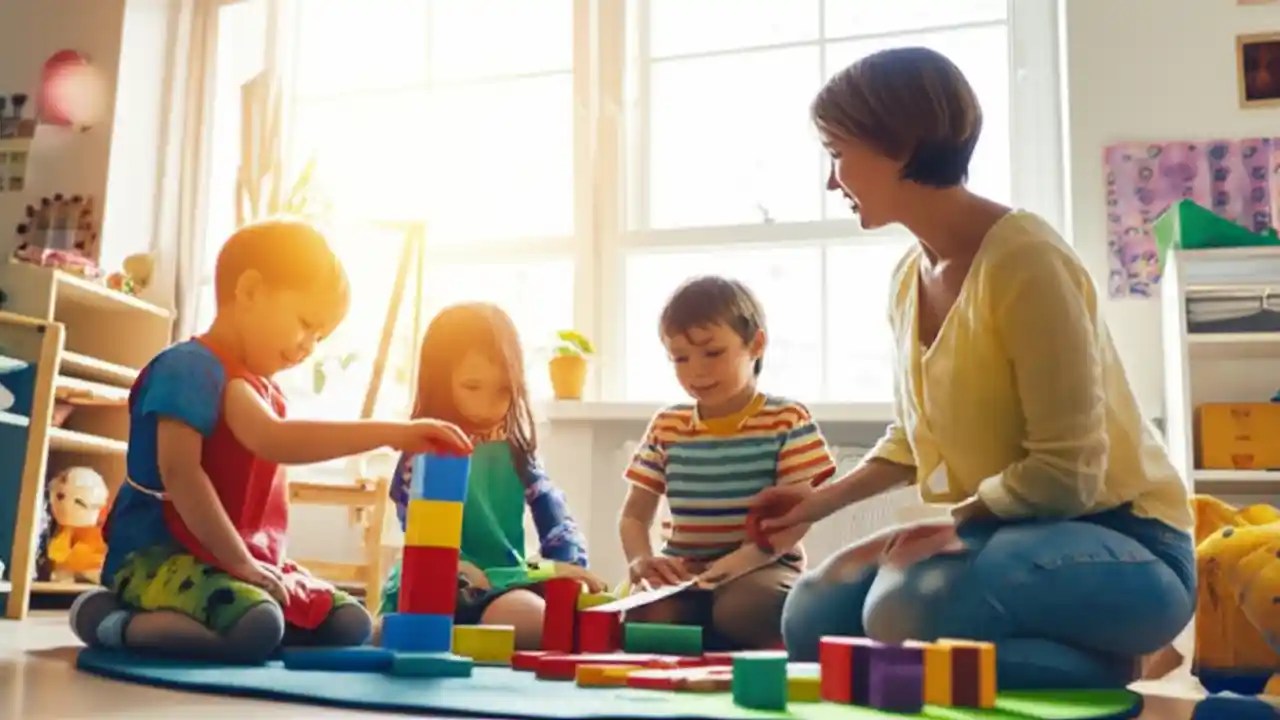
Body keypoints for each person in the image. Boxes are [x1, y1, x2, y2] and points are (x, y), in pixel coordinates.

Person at [754, 46, 1196, 689]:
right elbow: (915, 438)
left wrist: (952, 524)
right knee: (812, 617)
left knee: (901, 609)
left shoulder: (1027, 260)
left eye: (838, 154)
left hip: (1128, 544)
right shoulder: (910, 277)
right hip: (1012, 534)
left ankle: (1127, 656)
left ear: (899, 145)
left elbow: (1068, 475)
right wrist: (816, 504)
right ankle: (1059, 659)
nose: (832, 181)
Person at [69, 219, 473, 663]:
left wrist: (248, 565)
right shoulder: (188, 367)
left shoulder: (256, 386)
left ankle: (245, 623)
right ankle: (108, 620)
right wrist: (393, 433)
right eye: (305, 324)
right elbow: (187, 469)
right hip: (158, 554)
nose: (309, 347)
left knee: (349, 624)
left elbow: (279, 442)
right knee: (257, 626)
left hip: (233, 560)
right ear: (250, 291)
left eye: (320, 337)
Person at [619, 276, 837, 650]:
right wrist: (641, 560)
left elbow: (797, 517)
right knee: (643, 620)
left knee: (745, 610)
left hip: (762, 566)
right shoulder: (667, 425)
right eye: (680, 359)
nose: (696, 371)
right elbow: (635, 516)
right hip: (685, 570)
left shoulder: (787, 419)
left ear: (756, 345)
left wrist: (734, 567)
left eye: (713, 353)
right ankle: (706, 631)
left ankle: (730, 632)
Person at [381, 302, 604, 650]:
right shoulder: (422, 450)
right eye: (473, 387)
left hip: (504, 583)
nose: (489, 406)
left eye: (503, 391)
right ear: (441, 382)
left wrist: (569, 568)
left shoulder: (517, 453)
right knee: (398, 626)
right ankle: (431, 637)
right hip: (439, 579)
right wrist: (461, 568)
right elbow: (424, 540)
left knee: (533, 618)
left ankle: (454, 640)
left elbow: (555, 515)